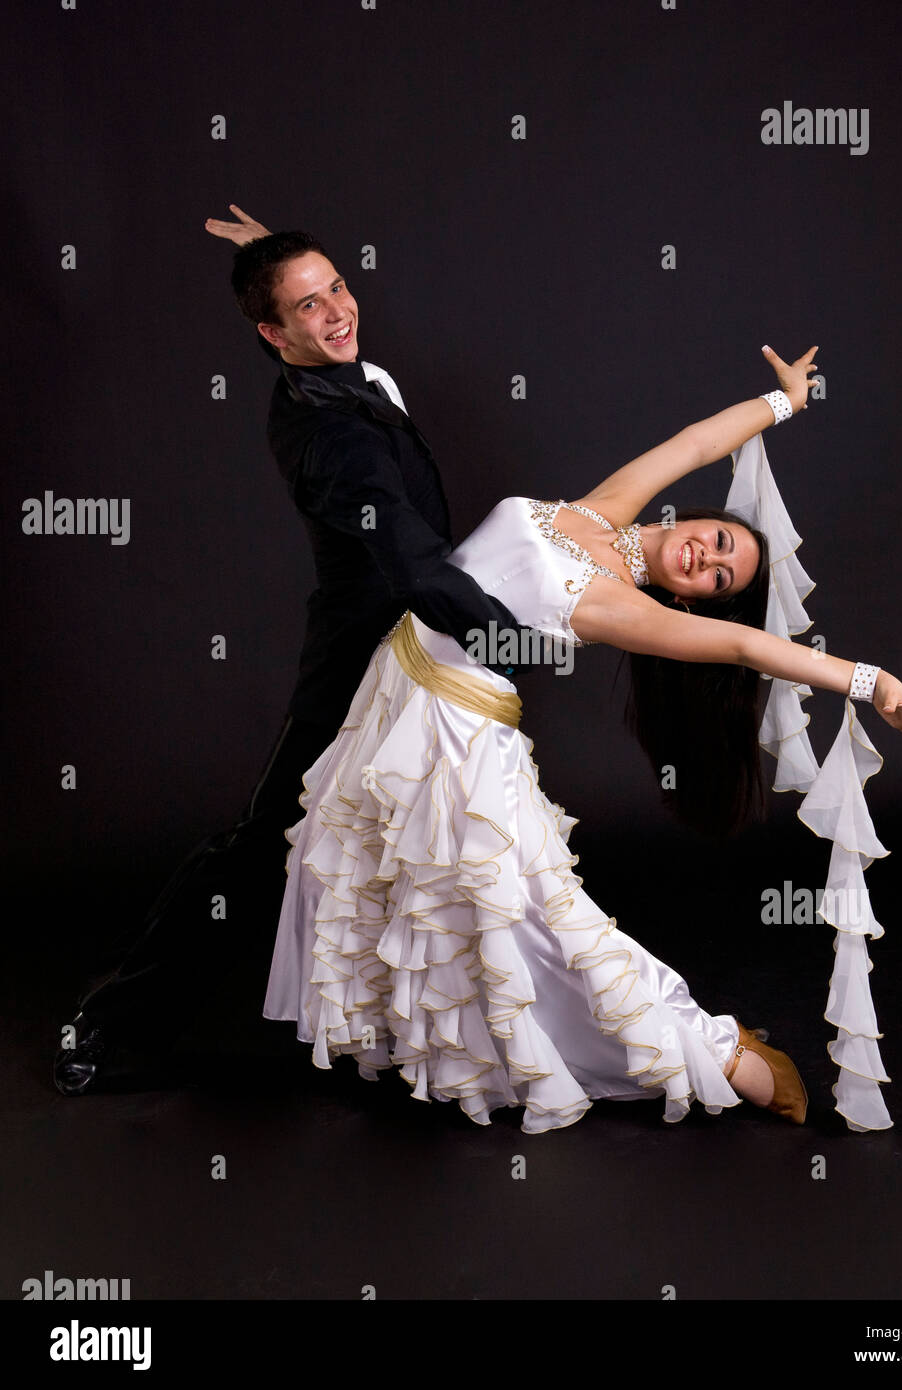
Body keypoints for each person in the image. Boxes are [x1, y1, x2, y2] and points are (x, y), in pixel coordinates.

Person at [262, 343, 902, 1131]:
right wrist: (785, 405)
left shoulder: (624, 608)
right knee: (388, 883)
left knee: (536, 920)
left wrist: (870, 683)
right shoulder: (602, 511)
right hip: (396, 688)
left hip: (454, 739)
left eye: (716, 579)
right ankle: (424, 1044)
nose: (705, 557)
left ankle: (717, 1055)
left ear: (694, 600)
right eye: (719, 542)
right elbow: (694, 443)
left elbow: (747, 648)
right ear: (699, 520)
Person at [53, 210, 539, 1095]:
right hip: (360, 661)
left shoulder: (332, 365)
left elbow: (305, 313)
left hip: (416, 645)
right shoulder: (335, 437)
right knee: (263, 846)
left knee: (428, 833)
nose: (338, 312)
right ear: (271, 337)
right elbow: (411, 562)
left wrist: (268, 256)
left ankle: (427, 1025)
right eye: (309, 308)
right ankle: (105, 1025)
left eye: (339, 288)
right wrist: (516, 640)